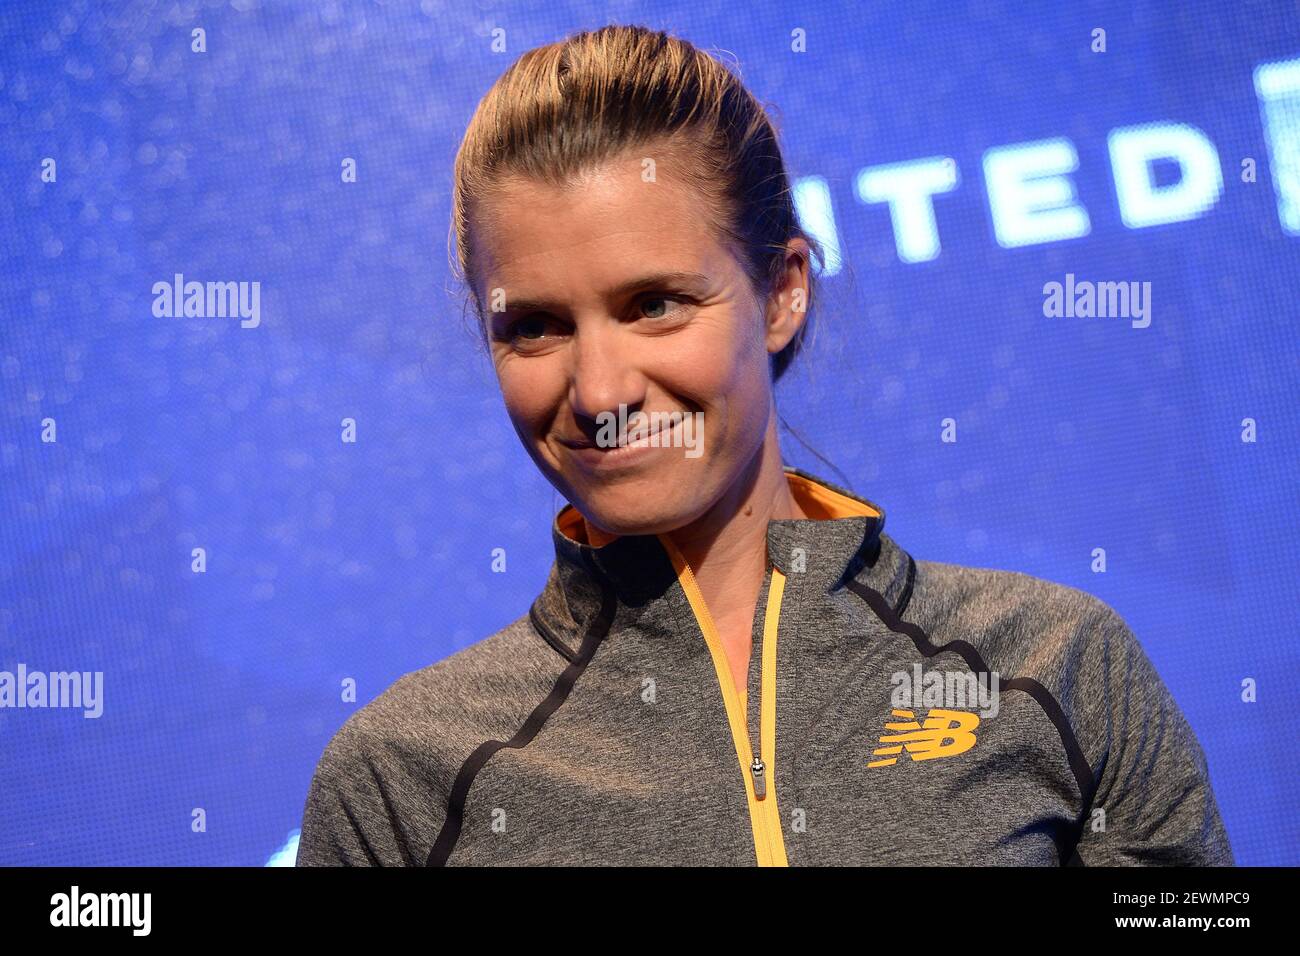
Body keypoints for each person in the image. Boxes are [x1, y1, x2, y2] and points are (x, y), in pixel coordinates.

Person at [295, 24, 1232, 866]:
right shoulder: (399, 784)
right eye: (535, 326)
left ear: (782, 291)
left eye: (653, 304)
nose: (602, 390)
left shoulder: (1056, 668)